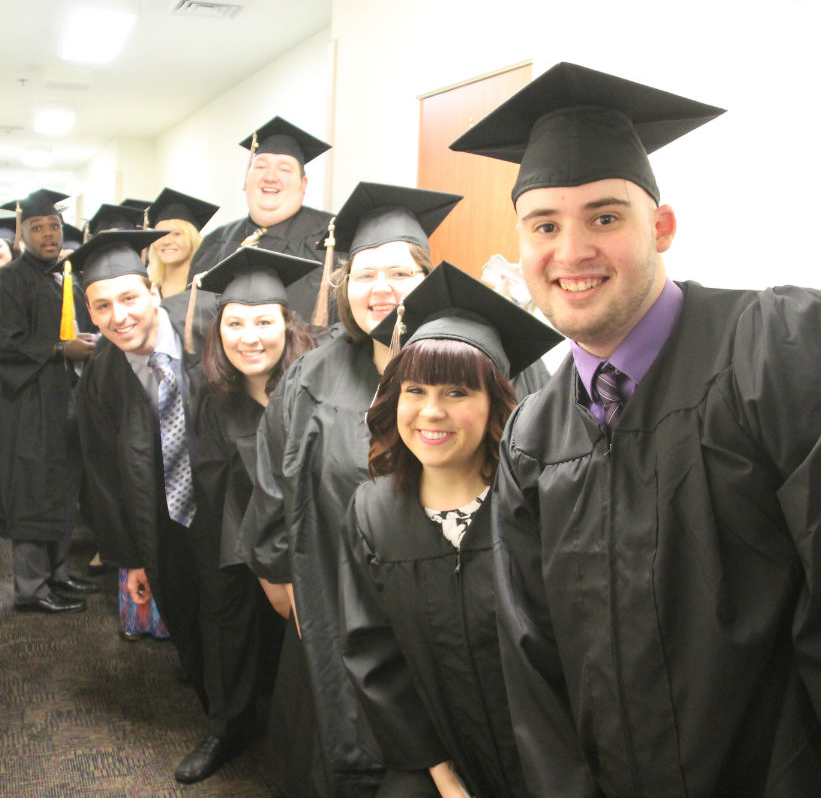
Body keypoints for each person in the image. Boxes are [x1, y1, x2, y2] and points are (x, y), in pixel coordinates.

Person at [449, 61, 821, 795]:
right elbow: (536, 671)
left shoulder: (788, 351)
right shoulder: (532, 443)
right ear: (521, 249)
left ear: (664, 226)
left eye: (605, 217)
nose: (573, 250)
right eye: (544, 225)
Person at [241, 183, 462, 796]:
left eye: (400, 272)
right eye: (364, 274)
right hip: (335, 606)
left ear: (430, 276)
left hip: (453, 613)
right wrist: (289, 583)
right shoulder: (311, 375)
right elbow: (271, 486)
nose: (380, 289)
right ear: (344, 287)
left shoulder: (480, 357)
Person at [340, 263, 562, 798]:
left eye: (458, 393)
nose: (431, 412)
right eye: (415, 389)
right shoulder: (373, 514)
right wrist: (441, 774)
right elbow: (376, 656)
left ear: (495, 407)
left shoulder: (539, 505)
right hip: (438, 759)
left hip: (551, 755)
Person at [72, 230, 210, 784]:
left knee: (235, 619)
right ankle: (215, 710)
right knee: (185, 617)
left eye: (129, 298)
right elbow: (102, 476)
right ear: (90, 310)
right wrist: (128, 558)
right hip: (161, 520)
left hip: (224, 512)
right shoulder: (101, 377)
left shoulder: (210, 332)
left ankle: (241, 713)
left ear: (153, 291)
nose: (118, 316)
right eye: (102, 305)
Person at [180, 247, 318, 784]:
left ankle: (299, 734)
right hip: (232, 528)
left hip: (308, 531)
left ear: (287, 324)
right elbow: (212, 478)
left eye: (264, 321)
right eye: (234, 323)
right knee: (225, 613)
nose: (249, 336)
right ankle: (228, 726)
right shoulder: (210, 391)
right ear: (219, 333)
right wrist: (257, 559)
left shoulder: (316, 383)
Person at [0, 188, 101, 614]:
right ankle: (31, 590)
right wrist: (59, 350)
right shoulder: (7, 283)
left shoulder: (66, 276)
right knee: (33, 489)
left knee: (63, 486)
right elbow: (0, 346)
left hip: (66, 402)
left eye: (54, 226)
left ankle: (57, 573)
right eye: (38, 228)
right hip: (30, 405)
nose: (49, 234)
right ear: (21, 233)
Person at [190, 116, 334, 323]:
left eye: (284, 169)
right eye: (260, 167)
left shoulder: (330, 240)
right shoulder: (214, 243)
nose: (270, 177)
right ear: (246, 179)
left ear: (303, 184)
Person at [143, 187, 221, 362]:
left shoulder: (210, 288)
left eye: (177, 234)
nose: (166, 241)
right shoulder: (148, 288)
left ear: (192, 238)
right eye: (159, 234)